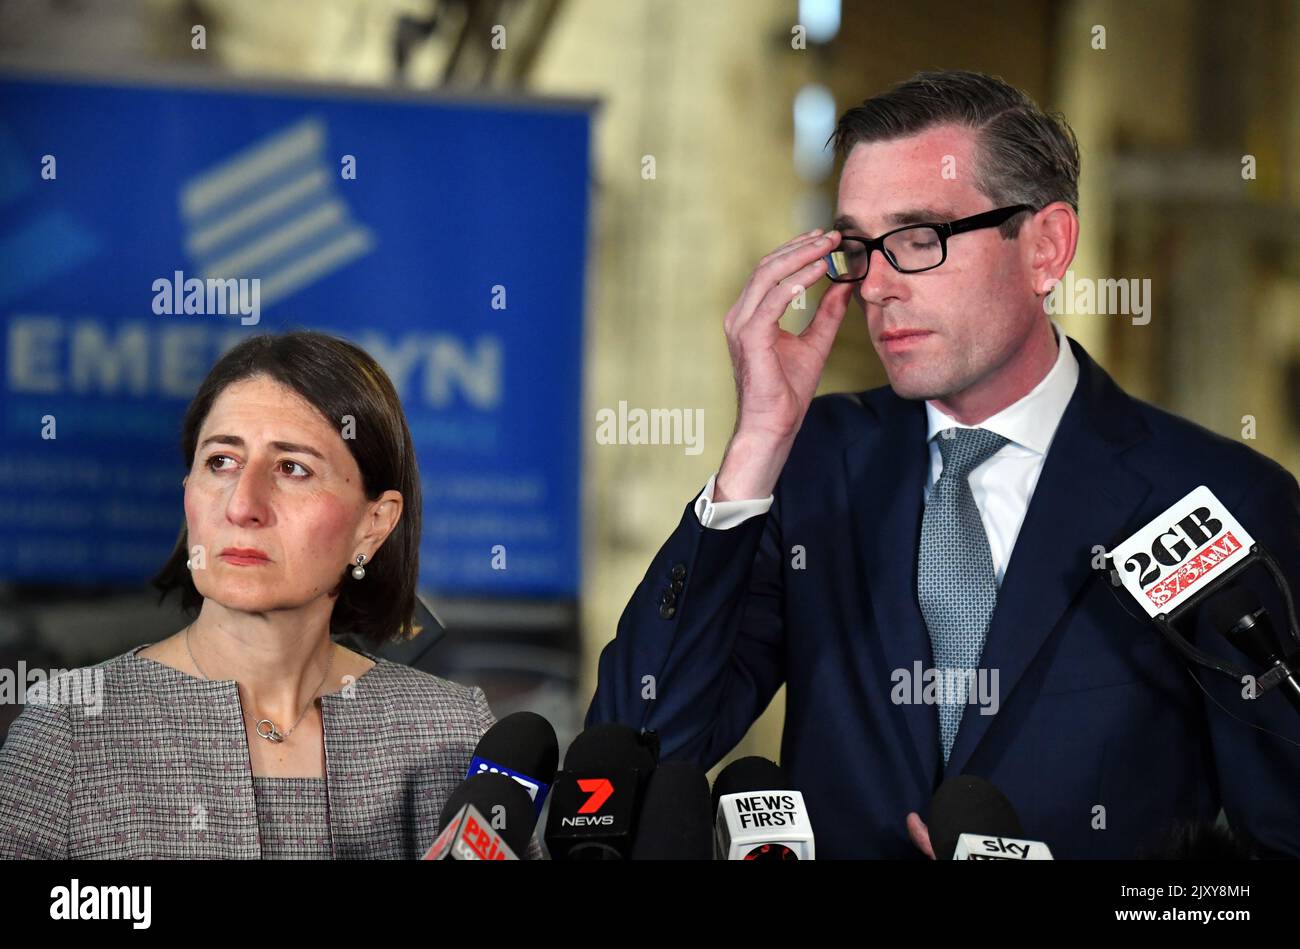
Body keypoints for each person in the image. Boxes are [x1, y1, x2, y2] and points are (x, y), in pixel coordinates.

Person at [587, 70, 1300, 858]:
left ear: (1046, 246)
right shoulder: (813, 466)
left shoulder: (1216, 501)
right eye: (858, 247)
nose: (878, 287)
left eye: (921, 238)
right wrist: (755, 447)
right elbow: (637, 751)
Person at [0, 330, 542, 859]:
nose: (243, 504)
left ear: (373, 524)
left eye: (292, 468)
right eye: (221, 461)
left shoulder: (449, 734)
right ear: (188, 492)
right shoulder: (70, 729)